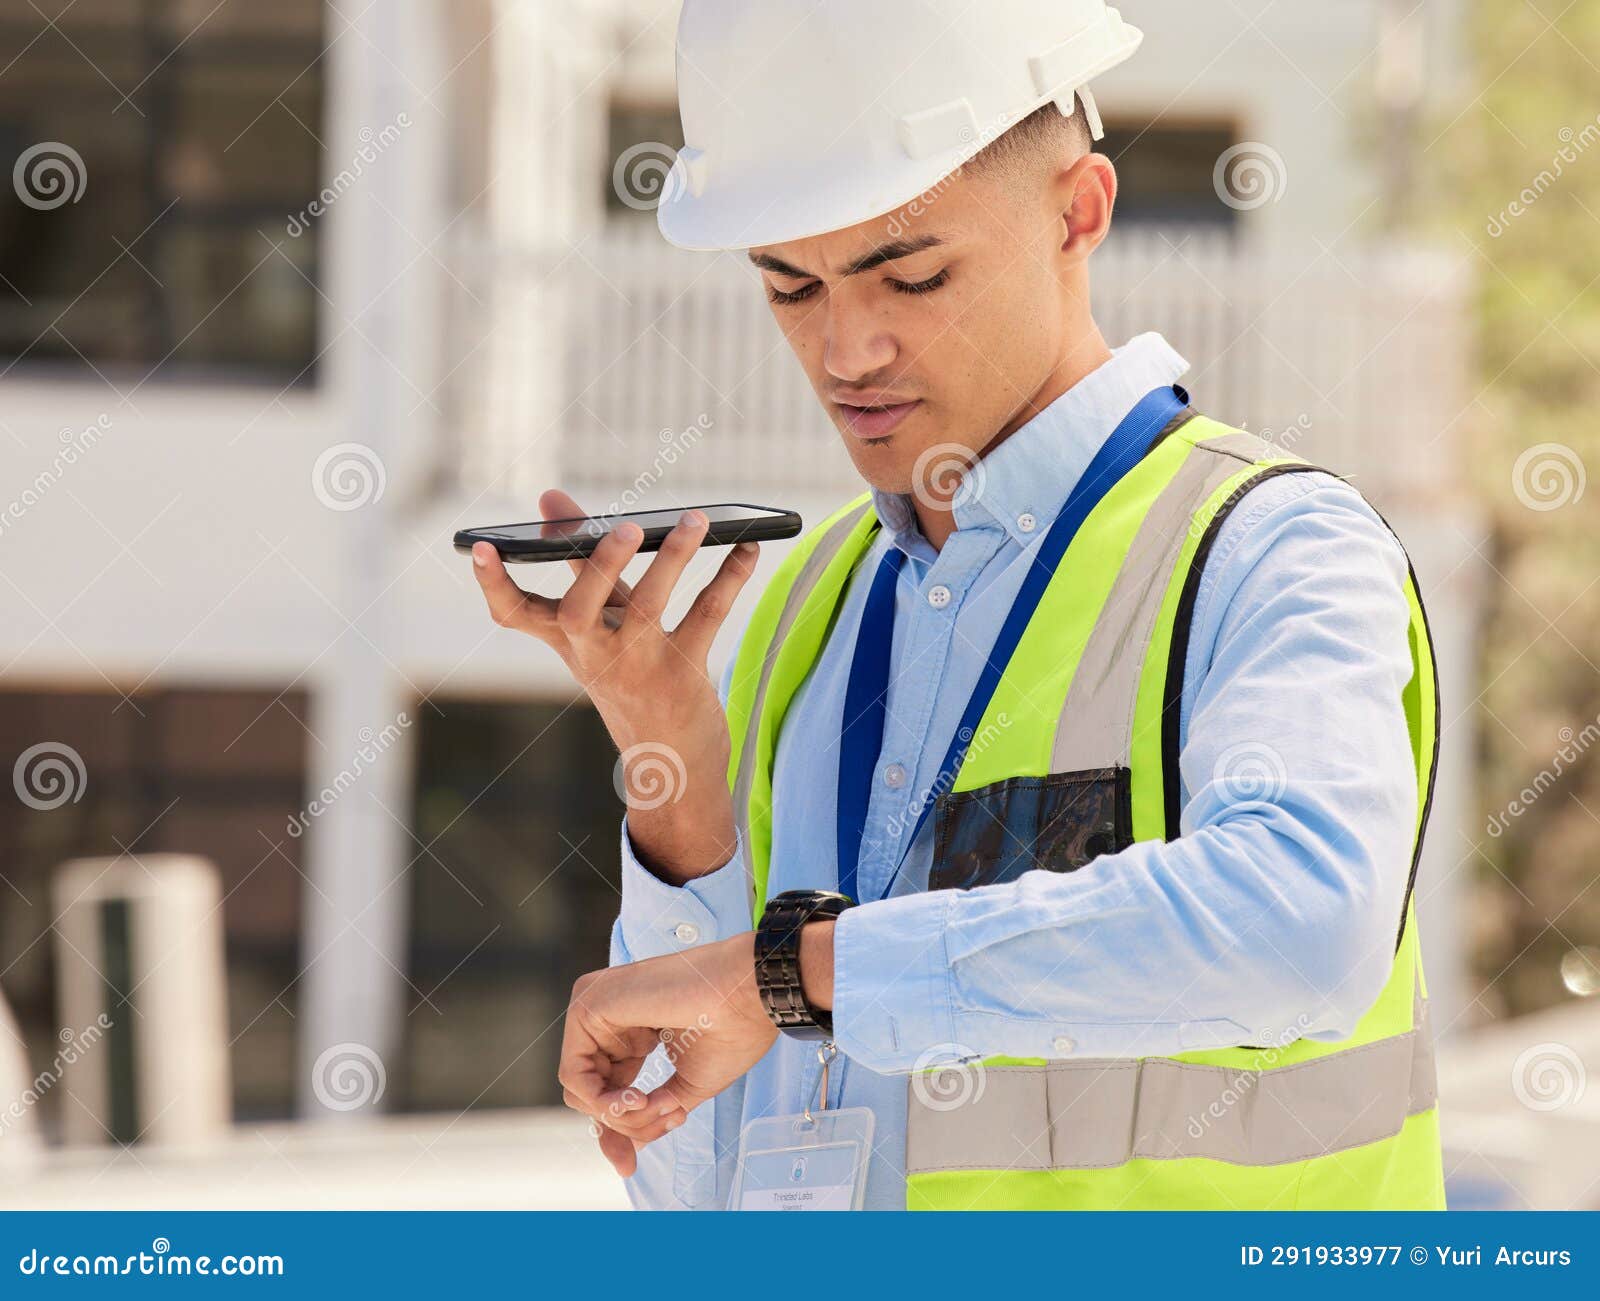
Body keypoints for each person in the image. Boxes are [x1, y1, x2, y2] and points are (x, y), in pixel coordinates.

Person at [469, 0, 1444, 1210]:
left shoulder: (1267, 547)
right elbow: (697, 1192)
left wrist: (798, 971)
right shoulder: (798, 616)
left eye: (911, 273)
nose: (845, 349)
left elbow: (1299, 923)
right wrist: (672, 769)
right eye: (789, 287)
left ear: (1077, 211)